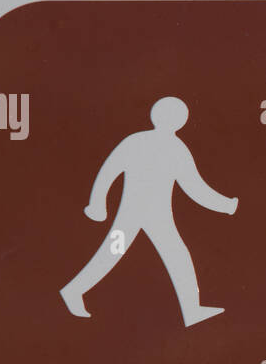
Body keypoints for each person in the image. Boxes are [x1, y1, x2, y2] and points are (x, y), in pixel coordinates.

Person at [60, 96, 237, 326]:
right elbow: (195, 188)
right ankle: (73, 291)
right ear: (180, 121)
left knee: (174, 256)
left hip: (154, 217)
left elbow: (108, 173)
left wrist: (97, 204)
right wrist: (227, 205)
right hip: (135, 215)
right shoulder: (167, 147)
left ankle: (192, 310)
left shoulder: (144, 142)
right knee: (114, 254)